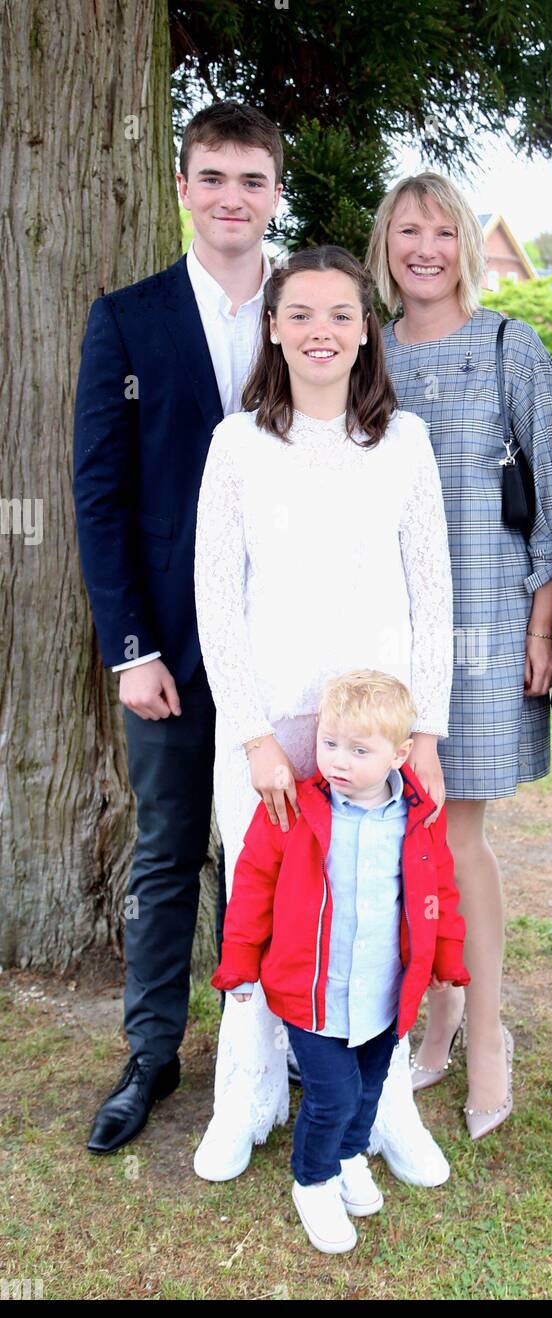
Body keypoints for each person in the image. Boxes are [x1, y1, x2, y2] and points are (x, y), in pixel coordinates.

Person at [192, 243, 457, 1188]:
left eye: (341, 314)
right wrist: (255, 736)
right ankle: (248, 1096)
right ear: (272, 326)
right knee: (264, 917)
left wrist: (423, 736)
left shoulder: (405, 442)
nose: (320, 331)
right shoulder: (237, 444)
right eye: (300, 313)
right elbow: (216, 601)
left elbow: (435, 593)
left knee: (375, 924)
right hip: (269, 730)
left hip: (378, 739)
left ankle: (386, 1107)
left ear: (365, 330)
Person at [73, 101, 284, 1154]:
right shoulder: (128, 316)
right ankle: (152, 1051)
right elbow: (99, 496)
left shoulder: (314, 310)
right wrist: (129, 647)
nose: (232, 196)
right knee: (167, 852)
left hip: (287, 642)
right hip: (168, 650)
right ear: (183, 186)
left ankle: (278, 1051)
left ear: (273, 194)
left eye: (251, 179)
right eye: (213, 177)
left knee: (279, 850)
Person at [367, 173, 552, 1138]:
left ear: (465, 247)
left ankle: (486, 1032)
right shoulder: (365, 353)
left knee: (455, 837)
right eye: (407, 230)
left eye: (442, 230)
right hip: (380, 634)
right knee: (398, 841)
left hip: (485, 630)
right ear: (385, 245)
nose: (425, 247)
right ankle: (434, 1010)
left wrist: (541, 629)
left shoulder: (508, 346)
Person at [213, 671, 470, 1253]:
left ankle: (352, 1154)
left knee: (370, 1086)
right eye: (330, 743)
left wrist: (447, 955)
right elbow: (252, 885)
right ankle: (313, 1180)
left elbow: (441, 892)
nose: (339, 761)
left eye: (360, 750)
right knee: (329, 1096)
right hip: (314, 996)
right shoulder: (295, 812)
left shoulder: (418, 817)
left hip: (384, 994)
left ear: (400, 754)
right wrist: (240, 964)